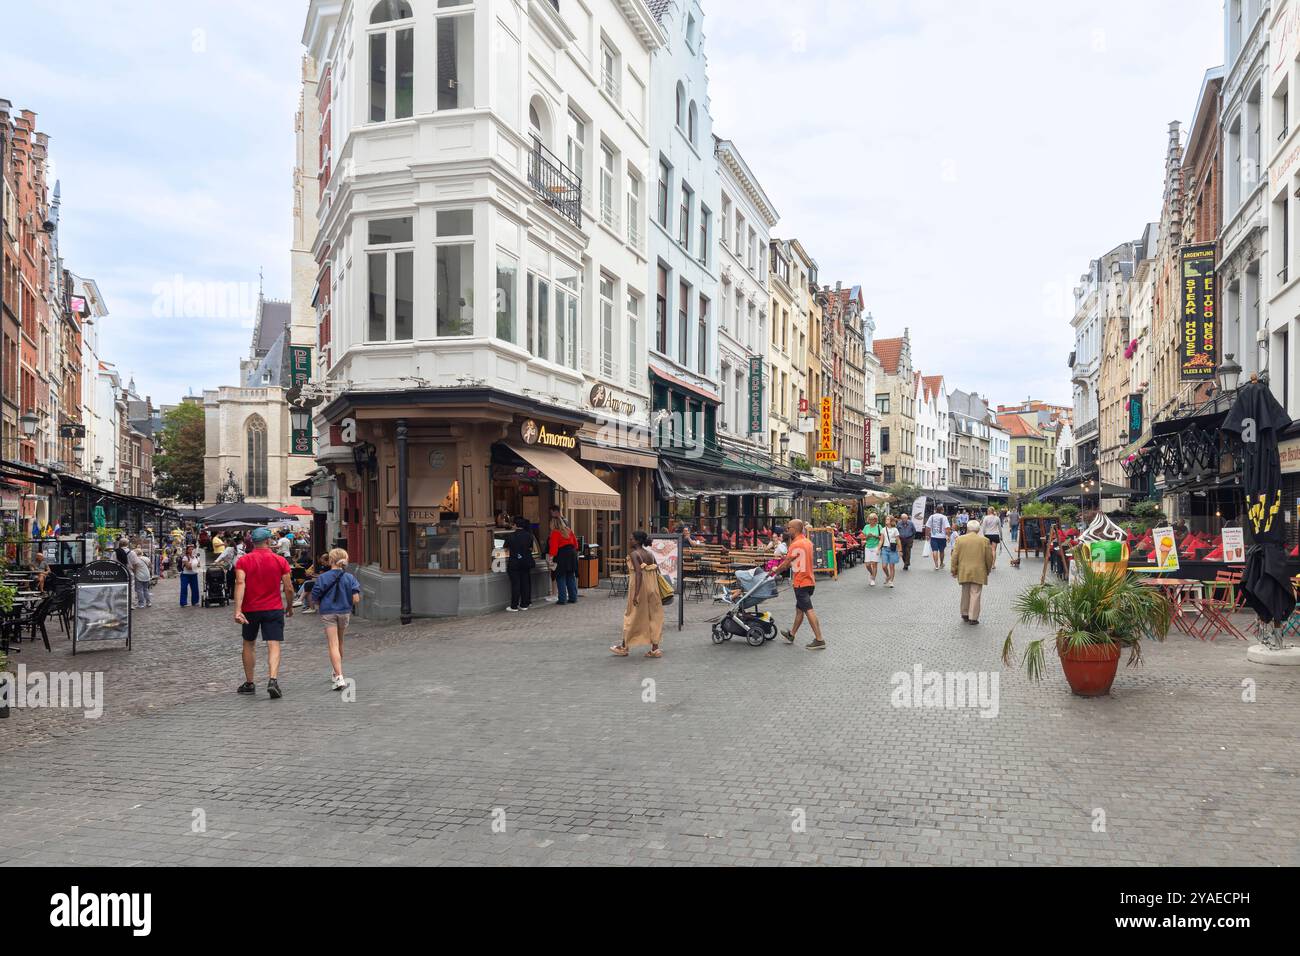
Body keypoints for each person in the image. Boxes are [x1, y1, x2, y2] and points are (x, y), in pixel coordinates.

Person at [234, 526, 295, 699]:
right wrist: (289, 606)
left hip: (250, 608)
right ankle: (273, 680)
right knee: (273, 643)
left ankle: (250, 683)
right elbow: (289, 588)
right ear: (268, 541)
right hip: (273, 607)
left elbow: (240, 583)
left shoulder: (243, 561)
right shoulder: (280, 561)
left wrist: (237, 610)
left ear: (253, 543)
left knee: (248, 643)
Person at [311, 548, 362, 691]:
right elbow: (356, 598)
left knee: (332, 644)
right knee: (340, 642)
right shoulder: (350, 577)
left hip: (328, 612)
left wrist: (322, 604)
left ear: (331, 560)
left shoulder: (323, 577)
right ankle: (336, 671)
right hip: (344, 612)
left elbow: (315, 597)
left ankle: (339, 676)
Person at [611, 530, 664, 658]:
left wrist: (636, 594)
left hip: (639, 587)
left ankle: (624, 647)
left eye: (631, 539)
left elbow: (639, 573)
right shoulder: (650, 554)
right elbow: (658, 571)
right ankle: (655, 649)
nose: (629, 541)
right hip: (653, 588)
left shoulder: (635, 554)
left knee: (631, 616)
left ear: (638, 541)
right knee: (654, 617)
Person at [775, 519, 826, 651]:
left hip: (800, 582)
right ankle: (791, 634)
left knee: (808, 610)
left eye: (788, 528)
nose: (787, 530)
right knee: (799, 610)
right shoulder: (808, 542)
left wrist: (775, 571)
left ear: (795, 529)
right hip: (810, 581)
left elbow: (786, 563)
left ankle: (819, 639)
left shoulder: (795, 544)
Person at [950, 519, 994, 625]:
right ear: (978, 529)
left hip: (964, 570)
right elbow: (989, 558)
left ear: (968, 529)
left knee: (965, 592)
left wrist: (953, 569)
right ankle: (973, 617)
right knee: (975, 593)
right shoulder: (984, 540)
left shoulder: (960, 539)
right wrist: (988, 570)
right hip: (979, 571)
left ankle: (964, 613)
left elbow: (954, 556)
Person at [504, 516, 536, 612]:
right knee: (525, 583)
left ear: (515, 525)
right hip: (525, 562)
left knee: (515, 584)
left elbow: (505, 547)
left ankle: (514, 606)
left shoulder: (511, 536)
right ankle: (524, 604)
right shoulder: (529, 535)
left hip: (514, 562)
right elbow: (530, 548)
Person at [547, 517, 580, 605]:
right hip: (572, 554)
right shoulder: (568, 530)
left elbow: (554, 548)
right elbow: (576, 545)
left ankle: (562, 599)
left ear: (553, 524)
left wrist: (550, 558)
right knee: (570, 576)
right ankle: (573, 597)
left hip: (561, 555)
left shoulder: (555, 533)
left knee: (560, 577)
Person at [861, 511, 882, 587]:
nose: (871, 520)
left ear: (875, 519)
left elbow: (882, 538)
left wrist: (874, 536)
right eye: (869, 519)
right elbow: (862, 537)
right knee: (867, 564)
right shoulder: (866, 527)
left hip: (876, 546)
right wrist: (868, 536)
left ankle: (873, 579)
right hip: (868, 546)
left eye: (872, 519)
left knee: (874, 564)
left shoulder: (879, 527)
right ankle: (872, 573)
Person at [880, 515, 901, 588]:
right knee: (884, 566)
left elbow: (898, 540)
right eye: (886, 519)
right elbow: (881, 540)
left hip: (892, 549)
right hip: (885, 549)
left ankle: (891, 581)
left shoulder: (895, 529)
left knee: (892, 566)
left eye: (888, 519)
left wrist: (900, 550)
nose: (886, 520)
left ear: (891, 521)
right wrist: (878, 548)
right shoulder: (883, 529)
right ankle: (888, 576)